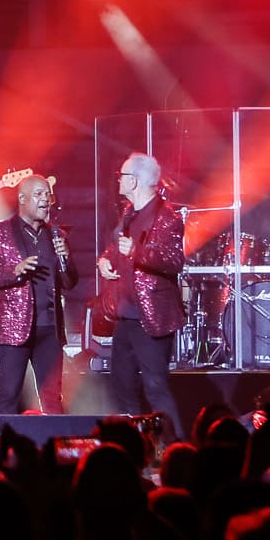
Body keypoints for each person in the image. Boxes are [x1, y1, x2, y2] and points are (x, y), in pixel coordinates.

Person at [95, 153, 186, 445]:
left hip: (152, 316)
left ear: (134, 181)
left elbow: (173, 261)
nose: (118, 181)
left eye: (122, 176)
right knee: (122, 383)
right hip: (126, 314)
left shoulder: (167, 217)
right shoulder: (129, 213)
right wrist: (105, 260)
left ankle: (175, 447)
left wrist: (136, 252)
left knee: (155, 385)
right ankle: (137, 445)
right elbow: (116, 246)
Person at [0, 175, 78, 415]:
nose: (46, 199)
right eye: (39, 194)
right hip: (14, 329)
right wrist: (15, 272)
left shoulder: (56, 235)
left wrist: (66, 259)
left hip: (49, 329)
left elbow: (69, 282)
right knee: (9, 393)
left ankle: (55, 446)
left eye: (48, 194)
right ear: (22, 198)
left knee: (52, 396)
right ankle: (1, 446)